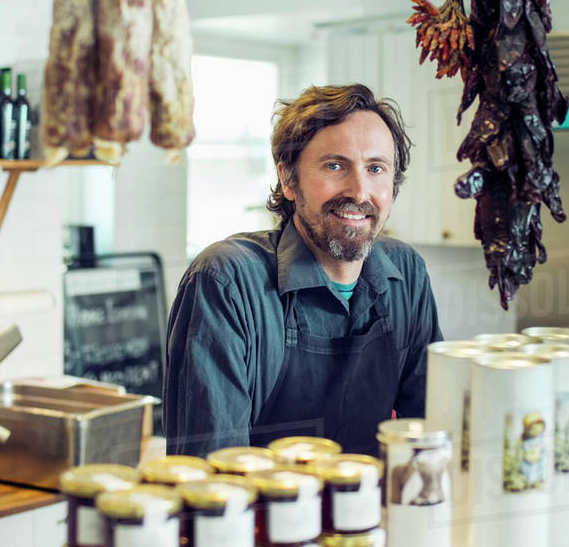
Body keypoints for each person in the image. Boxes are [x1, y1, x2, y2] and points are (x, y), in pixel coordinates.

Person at [163, 83, 442, 458]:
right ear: (288, 179)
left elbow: (429, 435)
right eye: (334, 166)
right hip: (261, 514)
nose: (360, 191)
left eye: (376, 168)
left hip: (372, 512)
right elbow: (210, 474)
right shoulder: (227, 281)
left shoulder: (406, 274)